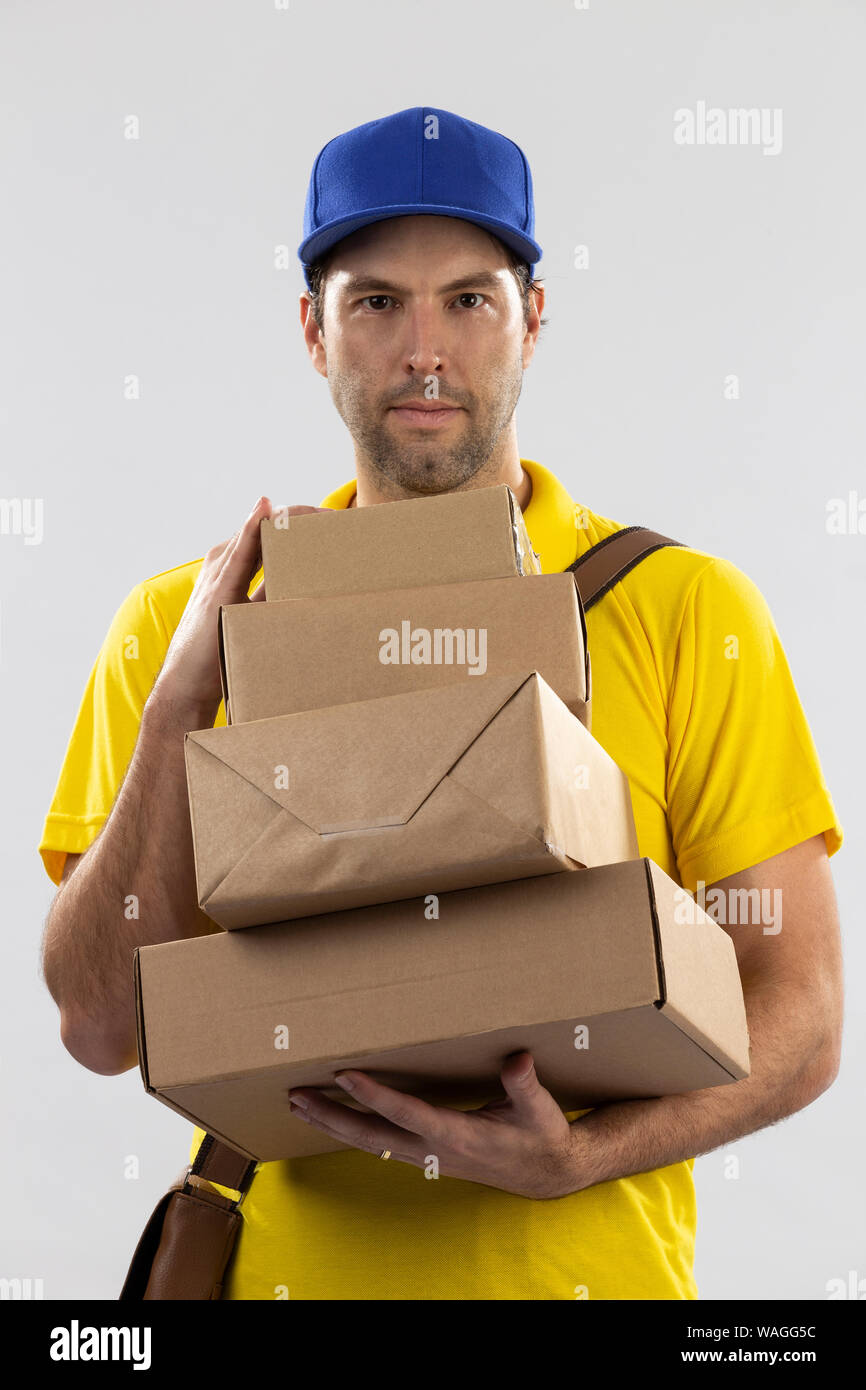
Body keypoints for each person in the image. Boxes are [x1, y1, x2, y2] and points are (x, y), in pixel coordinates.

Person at [39, 106, 844, 1301]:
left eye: (468, 300)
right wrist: (178, 713)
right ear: (312, 331)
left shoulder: (683, 609)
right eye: (376, 302)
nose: (425, 351)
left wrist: (582, 1158)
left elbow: (804, 1012)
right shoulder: (176, 625)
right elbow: (101, 1025)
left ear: (532, 323)